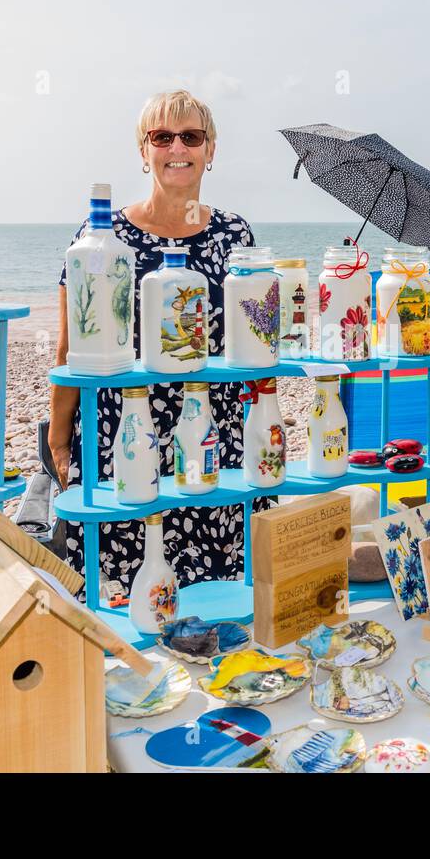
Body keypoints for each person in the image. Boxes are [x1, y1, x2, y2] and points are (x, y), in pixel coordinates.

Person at [50, 90, 260, 597]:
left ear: (211, 149)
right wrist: (57, 438)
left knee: (217, 590)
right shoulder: (103, 236)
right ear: (143, 151)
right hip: (123, 429)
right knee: (123, 593)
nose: (177, 148)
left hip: (210, 428)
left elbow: (251, 344)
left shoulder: (235, 235)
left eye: (190, 136)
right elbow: (70, 348)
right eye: (162, 137)